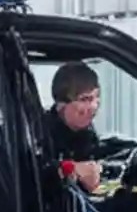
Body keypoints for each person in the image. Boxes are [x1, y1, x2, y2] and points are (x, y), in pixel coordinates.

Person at [42, 61, 102, 192]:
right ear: (61, 104)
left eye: (96, 98)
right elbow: (37, 171)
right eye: (84, 99)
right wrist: (73, 169)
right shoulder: (41, 132)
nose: (93, 107)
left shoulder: (87, 133)